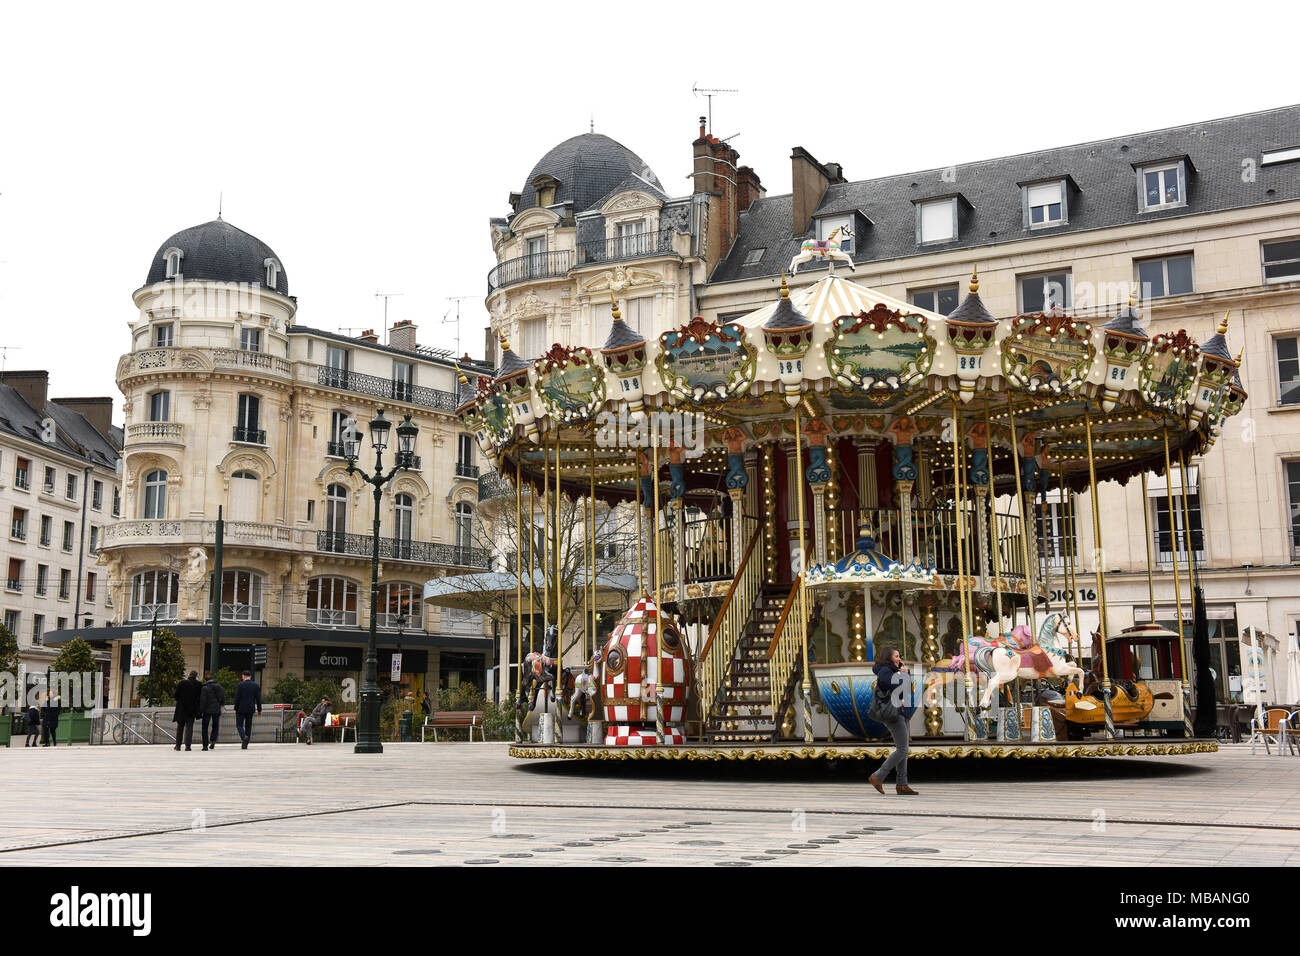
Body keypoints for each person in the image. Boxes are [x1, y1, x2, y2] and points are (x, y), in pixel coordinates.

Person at [868, 647, 917, 796]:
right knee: (902, 749)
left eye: (899, 655)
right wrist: (903, 675)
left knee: (903, 749)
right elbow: (898, 688)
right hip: (893, 713)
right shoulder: (885, 671)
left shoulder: (891, 670)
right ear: (888, 658)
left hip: (899, 711)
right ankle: (878, 776)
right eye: (896, 656)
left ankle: (902, 784)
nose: (899, 658)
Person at [173, 670, 202, 751]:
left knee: (180, 728)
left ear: (189, 675)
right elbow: (200, 698)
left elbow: (176, 696)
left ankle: (178, 746)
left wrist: (181, 701)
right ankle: (188, 746)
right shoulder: (199, 684)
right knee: (189, 728)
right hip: (192, 709)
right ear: (196, 676)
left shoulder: (182, 683)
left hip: (181, 709)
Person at [233, 670, 262, 750]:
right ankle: (245, 744)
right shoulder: (255, 685)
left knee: (239, 725)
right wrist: (259, 710)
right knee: (248, 726)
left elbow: (237, 697)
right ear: (250, 676)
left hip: (241, 708)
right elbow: (258, 699)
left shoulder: (240, 685)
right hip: (250, 708)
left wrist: (235, 707)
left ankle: (243, 737)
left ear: (243, 676)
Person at [199, 673, 225, 750]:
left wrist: (201, 710)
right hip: (216, 709)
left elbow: (203, 701)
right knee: (215, 726)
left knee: (205, 727)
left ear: (206, 680)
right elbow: (222, 698)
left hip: (207, 710)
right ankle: (213, 741)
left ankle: (205, 745)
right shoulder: (219, 687)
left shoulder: (204, 688)